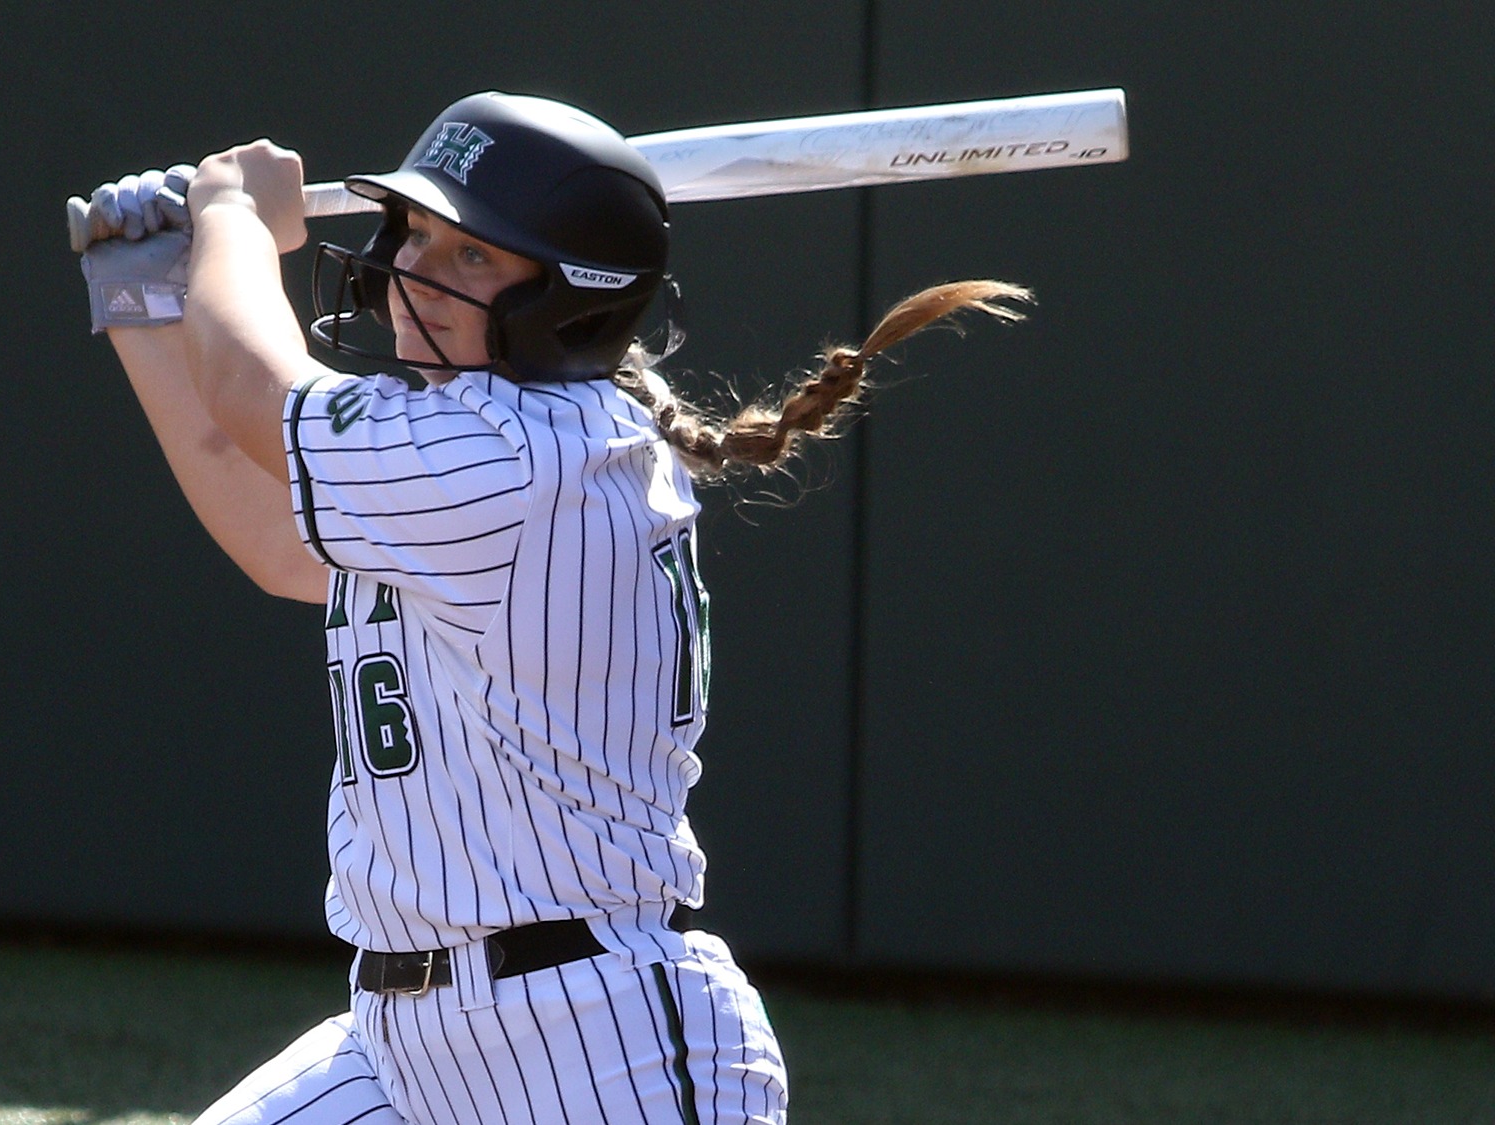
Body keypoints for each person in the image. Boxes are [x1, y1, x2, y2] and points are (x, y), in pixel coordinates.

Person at [70, 91, 1028, 1125]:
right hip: (405, 1040)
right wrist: (145, 301)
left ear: (571, 300)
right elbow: (274, 540)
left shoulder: (521, 455)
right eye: (416, 233)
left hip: (596, 1043)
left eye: (473, 254)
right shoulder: (470, 443)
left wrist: (232, 218)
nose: (417, 271)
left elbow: (256, 392)